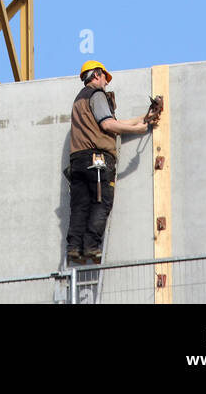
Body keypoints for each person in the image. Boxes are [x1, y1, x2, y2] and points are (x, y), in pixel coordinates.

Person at [65, 60, 159, 266]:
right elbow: (108, 124)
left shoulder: (79, 100)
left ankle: (74, 248)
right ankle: (91, 246)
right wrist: (140, 130)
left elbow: (114, 122)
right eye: (104, 79)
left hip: (78, 162)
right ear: (96, 75)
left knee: (80, 205)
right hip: (96, 160)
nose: (106, 83)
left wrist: (144, 118)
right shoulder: (97, 95)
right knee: (101, 201)